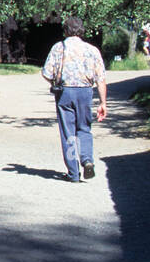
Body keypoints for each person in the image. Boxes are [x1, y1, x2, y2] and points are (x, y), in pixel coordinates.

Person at [41, 16, 108, 182]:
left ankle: (73, 173)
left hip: (65, 92)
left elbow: (46, 73)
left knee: (68, 132)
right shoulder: (92, 50)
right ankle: (87, 160)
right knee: (84, 128)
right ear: (81, 30)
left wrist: (56, 82)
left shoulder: (58, 48)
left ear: (65, 30)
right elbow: (101, 79)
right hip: (85, 92)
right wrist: (103, 103)